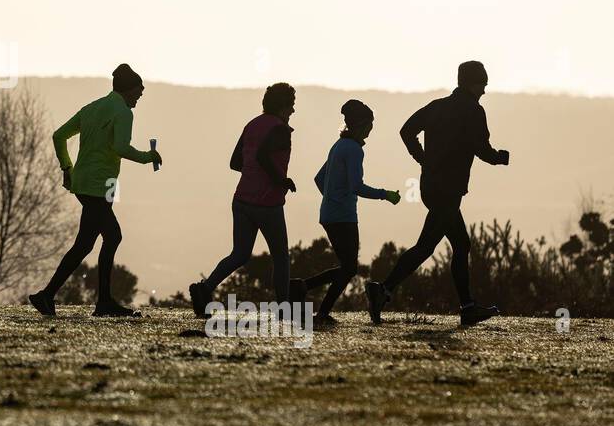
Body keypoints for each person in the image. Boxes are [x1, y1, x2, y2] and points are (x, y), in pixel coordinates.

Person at [366, 61, 509, 327]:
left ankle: (467, 307)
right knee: (425, 247)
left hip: (429, 187)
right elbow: (482, 149)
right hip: (449, 190)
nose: (485, 91)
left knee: (461, 244)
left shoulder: (437, 106)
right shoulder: (474, 111)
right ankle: (383, 290)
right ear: (472, 83)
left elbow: (406, 131)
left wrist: (422, 159)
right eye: (483, 85)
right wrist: (500, 158)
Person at [28, 64, 162, 318]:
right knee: (113, 236)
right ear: (129, 89)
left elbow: (59, 136)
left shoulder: (92, 108)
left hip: (84, 184)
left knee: (84, 244)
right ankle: (103, 303)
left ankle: (47, 295)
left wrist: (67, 167)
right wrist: (148, 157)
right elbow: (122, 147)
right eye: (138, 92)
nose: (139, 97)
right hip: (100, 187)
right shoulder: (123, 112)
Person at [189, 82, 303, 315]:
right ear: (282, 106)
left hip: (242, 200)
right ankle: (284, 307)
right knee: (281, 256)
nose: (293, 111)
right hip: (267, 203)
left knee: (239, 254)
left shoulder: (252, 125)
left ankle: (206, 288)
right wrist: (281, 180)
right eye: (291, 106)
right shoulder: (280, 129)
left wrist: (253, 174)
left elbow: (235, 162)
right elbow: (263, 156)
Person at [300, 100, 400, 327]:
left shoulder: (339, 145)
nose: (371, 129)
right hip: (343, 216)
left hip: (329, 213)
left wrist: (331, 197)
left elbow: (319, 178)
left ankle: (305, 289)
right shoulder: (353, 149)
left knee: (347, 267)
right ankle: (320, 310)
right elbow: (356, 186)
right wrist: (385, 194)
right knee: (349, 268)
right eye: (369, 124)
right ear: (361, 125)